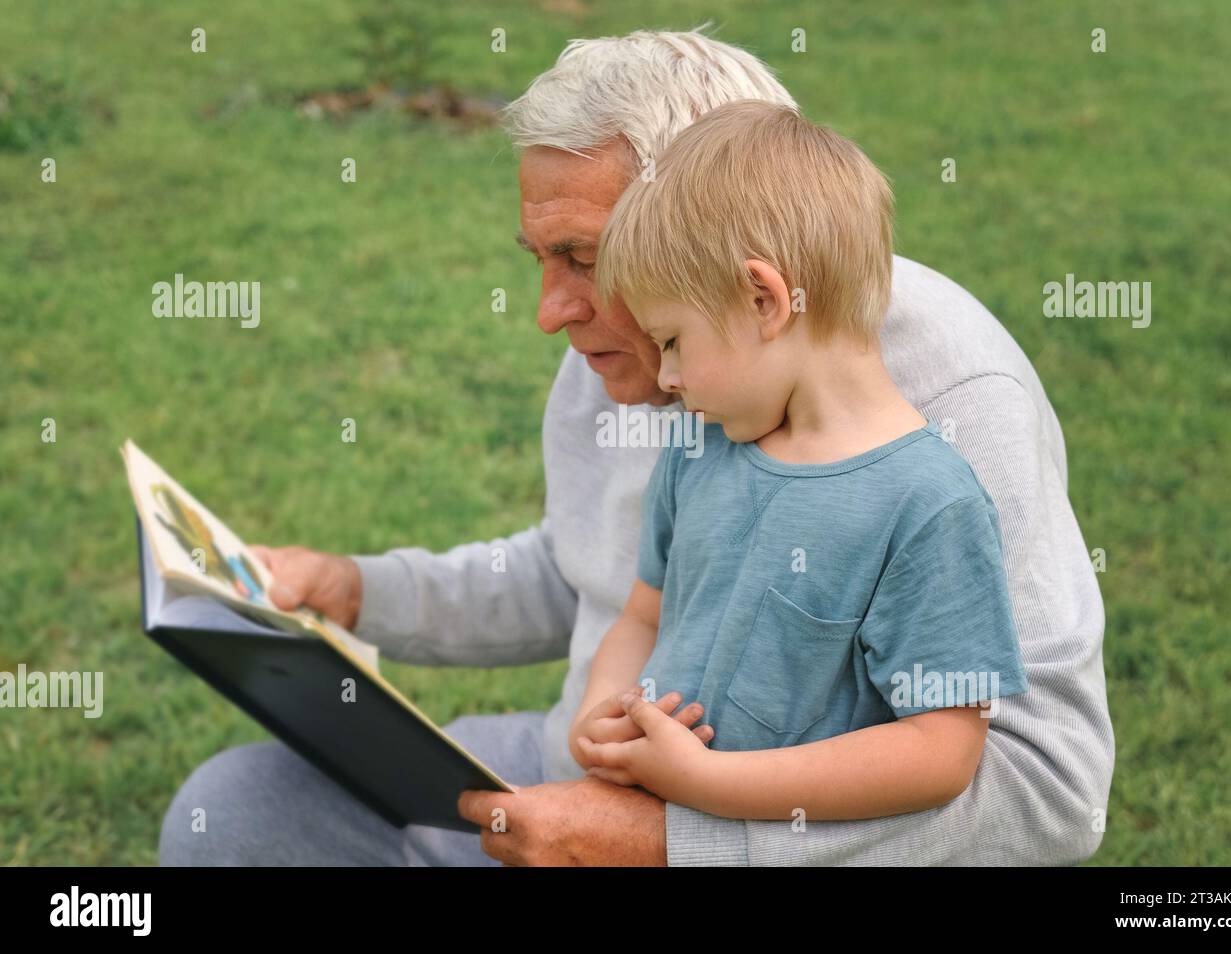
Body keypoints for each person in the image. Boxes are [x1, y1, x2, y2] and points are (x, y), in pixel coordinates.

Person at [159, 26, 1113, 866]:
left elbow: (1049, 786)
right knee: (240, 812)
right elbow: (589, 572)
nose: (551, 314)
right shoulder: (641, 341)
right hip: (578, 784)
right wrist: (355, 591)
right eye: (542, 261)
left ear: (720, 240)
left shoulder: (949, 400)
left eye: (583, 257)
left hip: (748, 836)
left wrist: (670, 846)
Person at [569, 98, 1030, 821]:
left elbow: (941, 752)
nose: (666, 377)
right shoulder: (700, 447)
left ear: (764, 300)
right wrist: (599, 711)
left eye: (673, 341)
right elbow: (643, 618)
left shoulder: (927, 504)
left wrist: (706, 781)